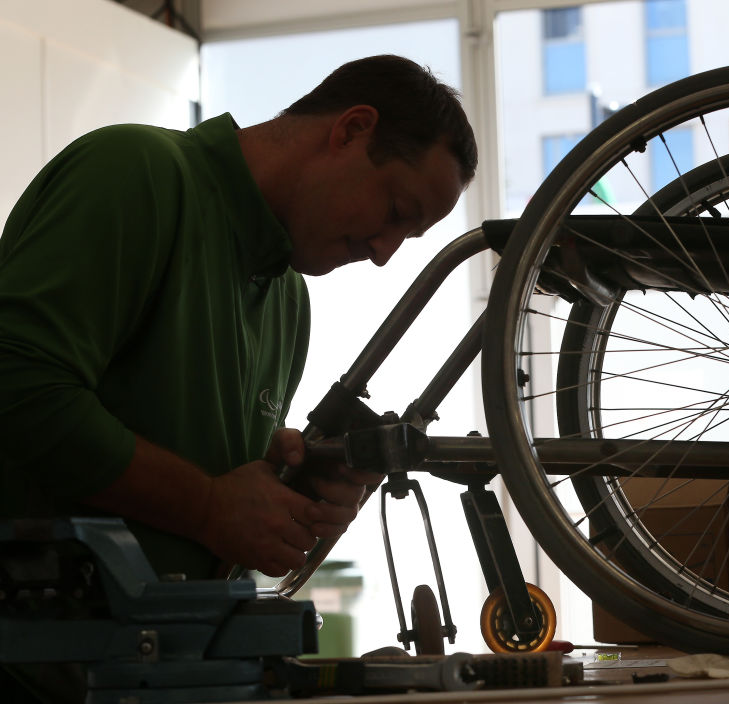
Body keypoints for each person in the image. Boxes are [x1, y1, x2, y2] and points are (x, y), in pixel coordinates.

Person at [0, 54, 478, 582]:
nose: (384, 253)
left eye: (408, 237)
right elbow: (18, 384)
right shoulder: (134, 172)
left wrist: (284, 490)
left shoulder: (288, 300)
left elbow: (207, 501)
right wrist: (207, 505)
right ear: (351, 130)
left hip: (179, 633)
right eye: (396, 212)